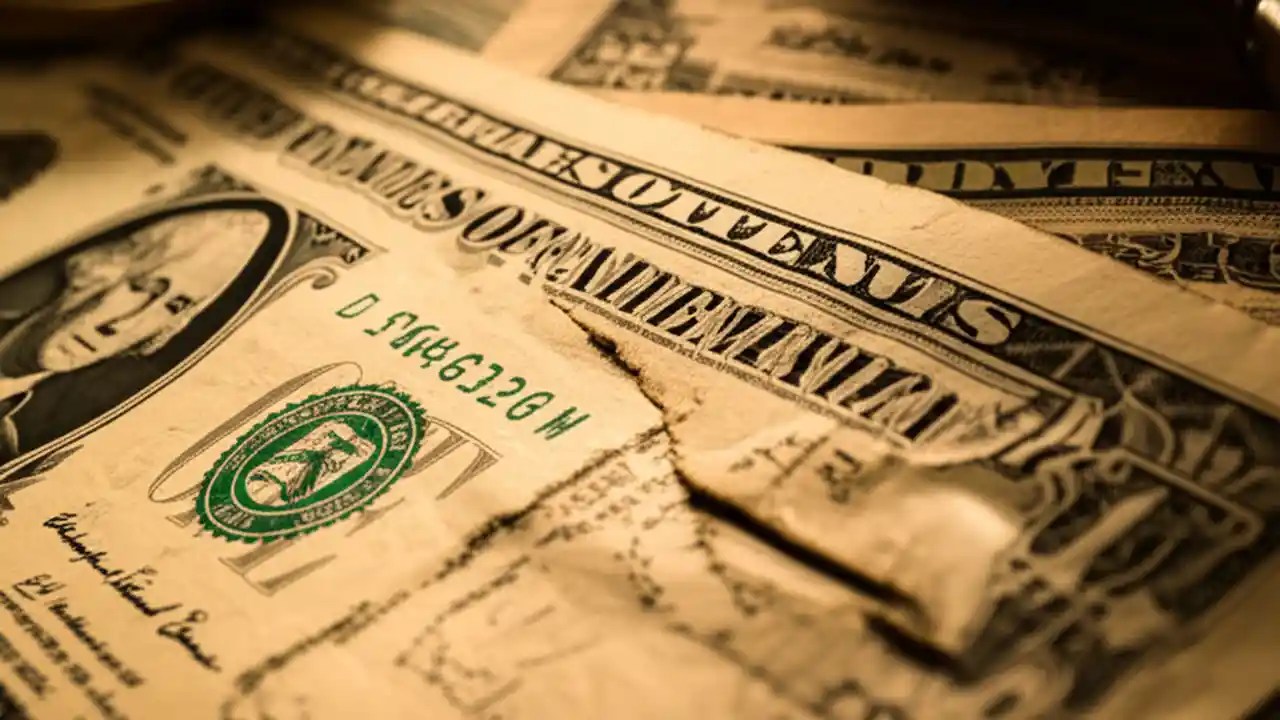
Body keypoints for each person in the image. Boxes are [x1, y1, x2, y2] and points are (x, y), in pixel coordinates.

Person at [0, 206, 271, 466]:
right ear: (96, 268)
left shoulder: (25, 443)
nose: (123, 324)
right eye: (142, 287)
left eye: (173, 307)